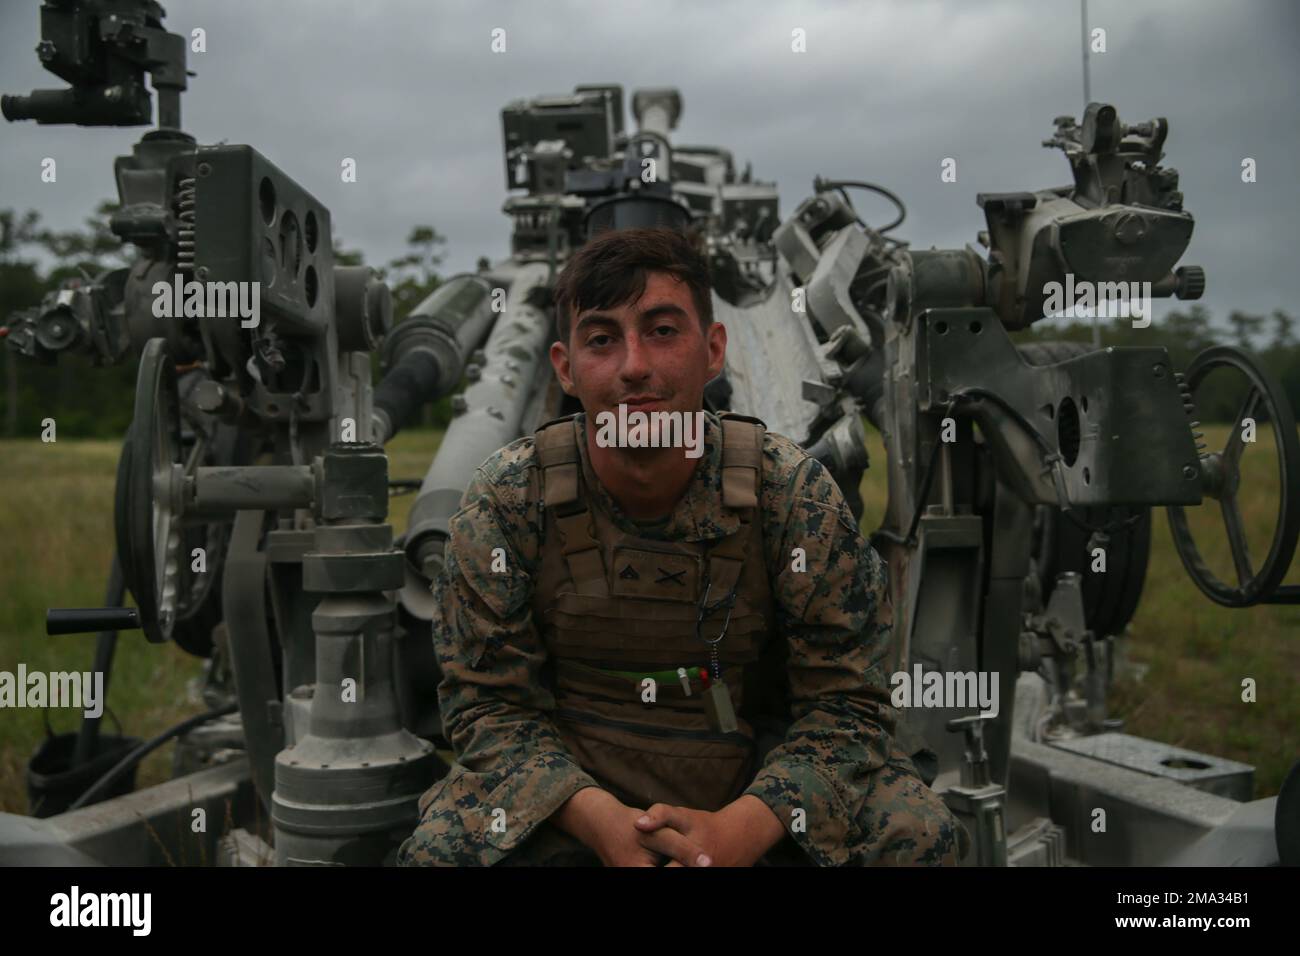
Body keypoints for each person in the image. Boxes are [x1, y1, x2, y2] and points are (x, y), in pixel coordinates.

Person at [397, 227, 967, 867]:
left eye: (663, 330)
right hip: (569, 788)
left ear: (713, 349)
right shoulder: (507, 501)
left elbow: (847, 704)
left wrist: (742, 832)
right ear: (566, 368)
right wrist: (602, 823)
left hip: (755, 779)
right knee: (438, 854)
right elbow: (487, 707)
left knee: (918, 835)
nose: (634, 366)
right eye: (602, 339)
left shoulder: (791, 496)